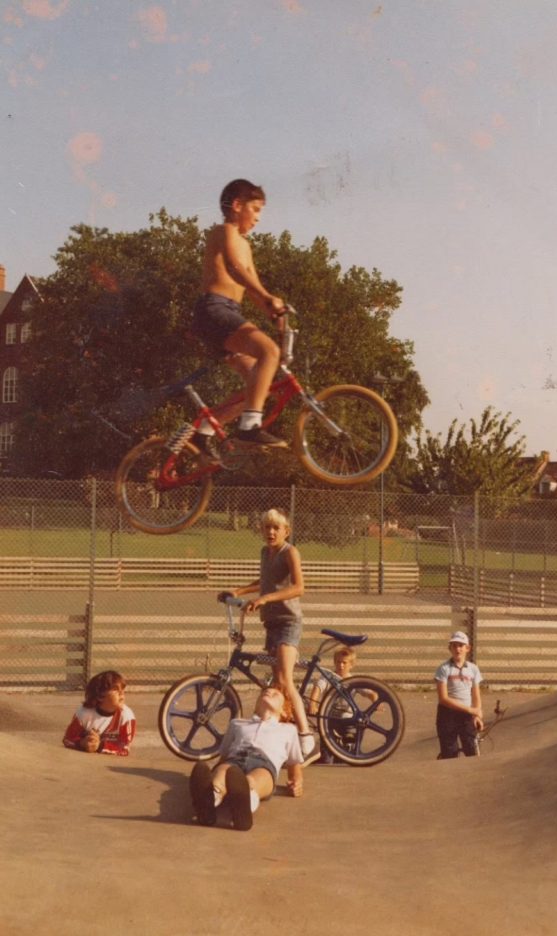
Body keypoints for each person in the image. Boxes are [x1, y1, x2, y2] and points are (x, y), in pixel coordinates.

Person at [191, 178, 287, 447]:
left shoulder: (245, 244)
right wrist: (269, 298)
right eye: (255, 210)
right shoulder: (224, 231)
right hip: (214, 309)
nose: (258, 218)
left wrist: (273, 312)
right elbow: (235, 269)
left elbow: (254, 287)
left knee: (258, 382)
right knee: (269, 353)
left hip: (225, 312)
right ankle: (250, 426)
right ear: (236, 205)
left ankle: (204, 430)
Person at [220, 507, 318, 764]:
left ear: (286, 531)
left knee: (285, 679)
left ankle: (306, 735)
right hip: (271, 623)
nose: (271, 532)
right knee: (276, 685)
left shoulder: (290, 552)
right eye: (267, 528)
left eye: (277, 528)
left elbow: (298, 588)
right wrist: (239, 591)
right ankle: (284, 734)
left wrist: (264, 599)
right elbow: (265, 581)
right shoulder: (266, 552)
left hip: (288, 622)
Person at [189, 685, 303, 831]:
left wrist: (297, 782)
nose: (268, 692)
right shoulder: (237, 723)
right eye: (265, 692)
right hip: (235, 759)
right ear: (256, 705)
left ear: (284, 711)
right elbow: (224, 756)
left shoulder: (288, 730)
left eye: (275, 694)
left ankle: (243, 810)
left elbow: (294, 764)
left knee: (252, 781)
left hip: (264, 763)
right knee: (222, 775)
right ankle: (208, 802)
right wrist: (214, 774)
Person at [434, 631, 483, 759]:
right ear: (449, 648)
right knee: (450, 752)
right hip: (447, 715)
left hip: (467, 717)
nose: (457, 649)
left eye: (461, 645)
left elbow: (476, 695)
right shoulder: (443, 669)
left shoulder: (473, 669)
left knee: (471, 749)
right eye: (454, 645)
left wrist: (477, 714)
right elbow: (443, 698)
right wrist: (468, 709)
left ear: (467, 648)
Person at [62, 670, 136, 756]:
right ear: (100, 696)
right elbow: (68, 739)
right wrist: (82, 743)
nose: (121, 693)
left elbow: (125, 747)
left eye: (122, 689)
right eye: (115, 689)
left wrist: (100, 745)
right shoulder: (84, 713)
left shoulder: (126, 716)